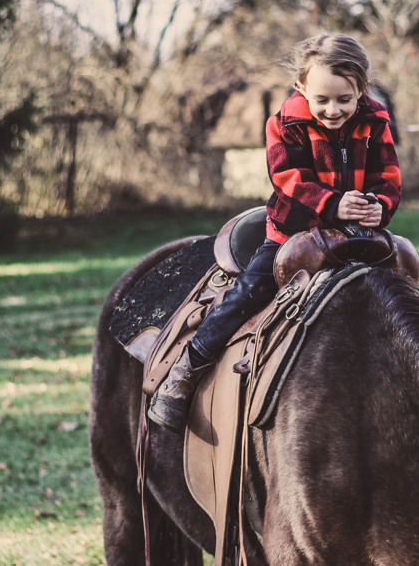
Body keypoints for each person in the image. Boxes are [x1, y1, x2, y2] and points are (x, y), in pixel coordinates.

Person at [149, 33, 401, 433]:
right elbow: (287, 178)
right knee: (249, 293)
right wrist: (332, 204)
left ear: (361, 91)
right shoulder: (285, 124)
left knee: (404, 285)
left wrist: (378, 205)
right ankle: (187, 368)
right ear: (302, 88)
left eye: (344, 99)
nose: (333, 110)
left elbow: (387, 175)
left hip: (354, 235)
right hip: (294, 233)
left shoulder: (376, 122)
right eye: (322, 100)